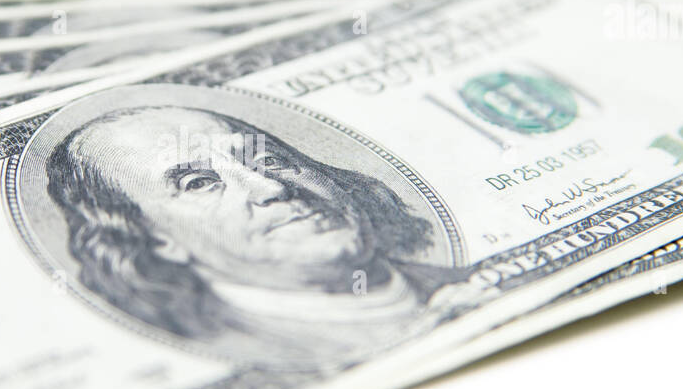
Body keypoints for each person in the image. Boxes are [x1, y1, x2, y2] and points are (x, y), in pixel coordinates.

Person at [45, 105, 467, 363]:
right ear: (153, 237)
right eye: (198, 183)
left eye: (265, 159)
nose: (271, 187)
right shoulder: (233, 348)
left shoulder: (468, 282)